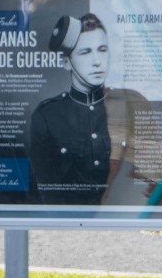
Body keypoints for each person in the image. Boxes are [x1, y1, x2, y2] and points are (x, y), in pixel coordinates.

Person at [27, 12, 113, 204]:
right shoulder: (47, 116)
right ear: (67, 62)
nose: (97, 61)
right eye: (85, 52)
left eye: (102, 49)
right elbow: (48, 190)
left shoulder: (127, 104)